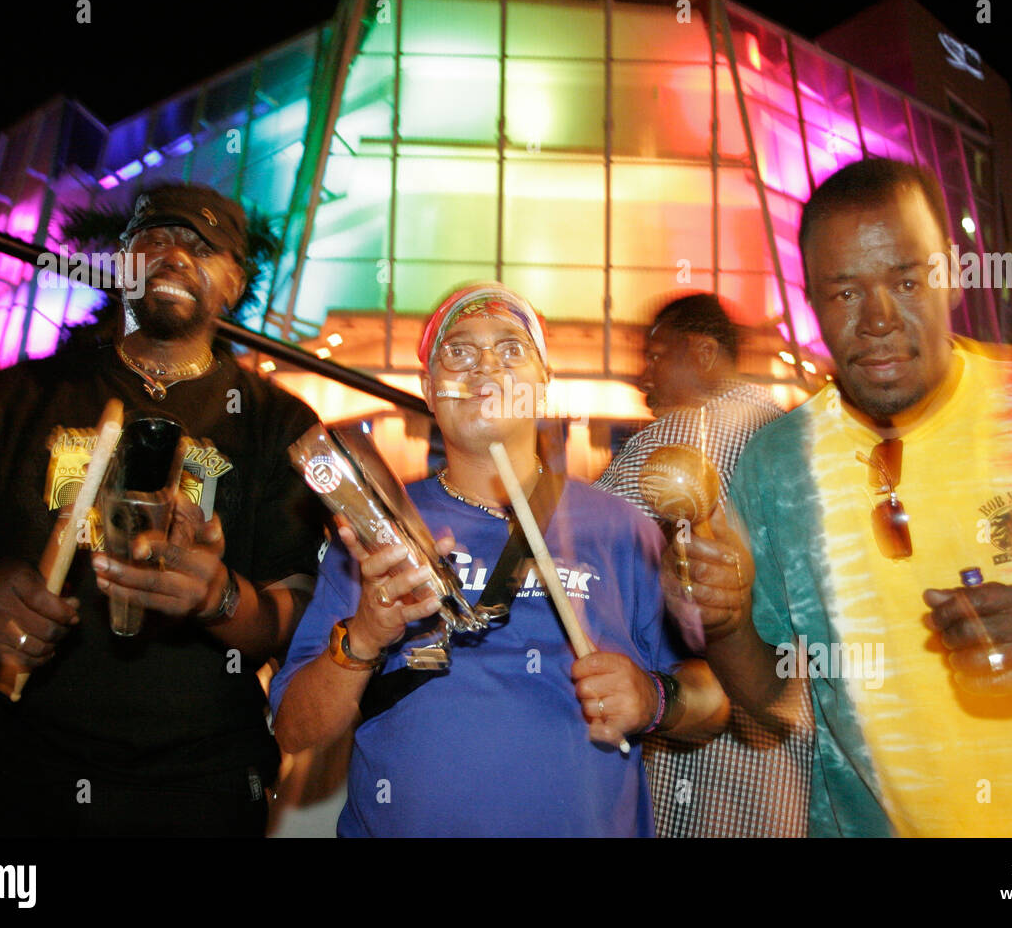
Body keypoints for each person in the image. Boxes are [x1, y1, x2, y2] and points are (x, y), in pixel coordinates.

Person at [668, 157, 1012, 837]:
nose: (878, 318)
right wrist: (728, 621)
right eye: (845, 292)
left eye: (906, 280)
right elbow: (767, 714)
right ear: (812, 298)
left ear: (952, 273)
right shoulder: (774, 466)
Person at [0, 183, 324, 836]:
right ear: (119, 262)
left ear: (235, 282)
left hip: (195, 797)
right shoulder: (18, 395)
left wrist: (219, 596)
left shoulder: (277, 424)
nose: (175, 254)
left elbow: (287, 618)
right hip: (3, 791)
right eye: (154, 237)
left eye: (204, 246)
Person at [271, 281, 728, 836]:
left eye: (511, 348)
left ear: (542, 386)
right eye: (458, 351)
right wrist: (364, 637)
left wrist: (654, 697)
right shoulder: (375, 531)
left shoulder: (621, 529)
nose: (485, 365)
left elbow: (713, 696)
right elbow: (294, 730)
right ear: (430, 389)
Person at [594, 293, 811, 837]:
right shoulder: (798, 442)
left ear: (705, 352)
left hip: (700, 764)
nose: (642, 374)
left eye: (657, 354)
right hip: (789, 767)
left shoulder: (683, 436)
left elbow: (585, 554)